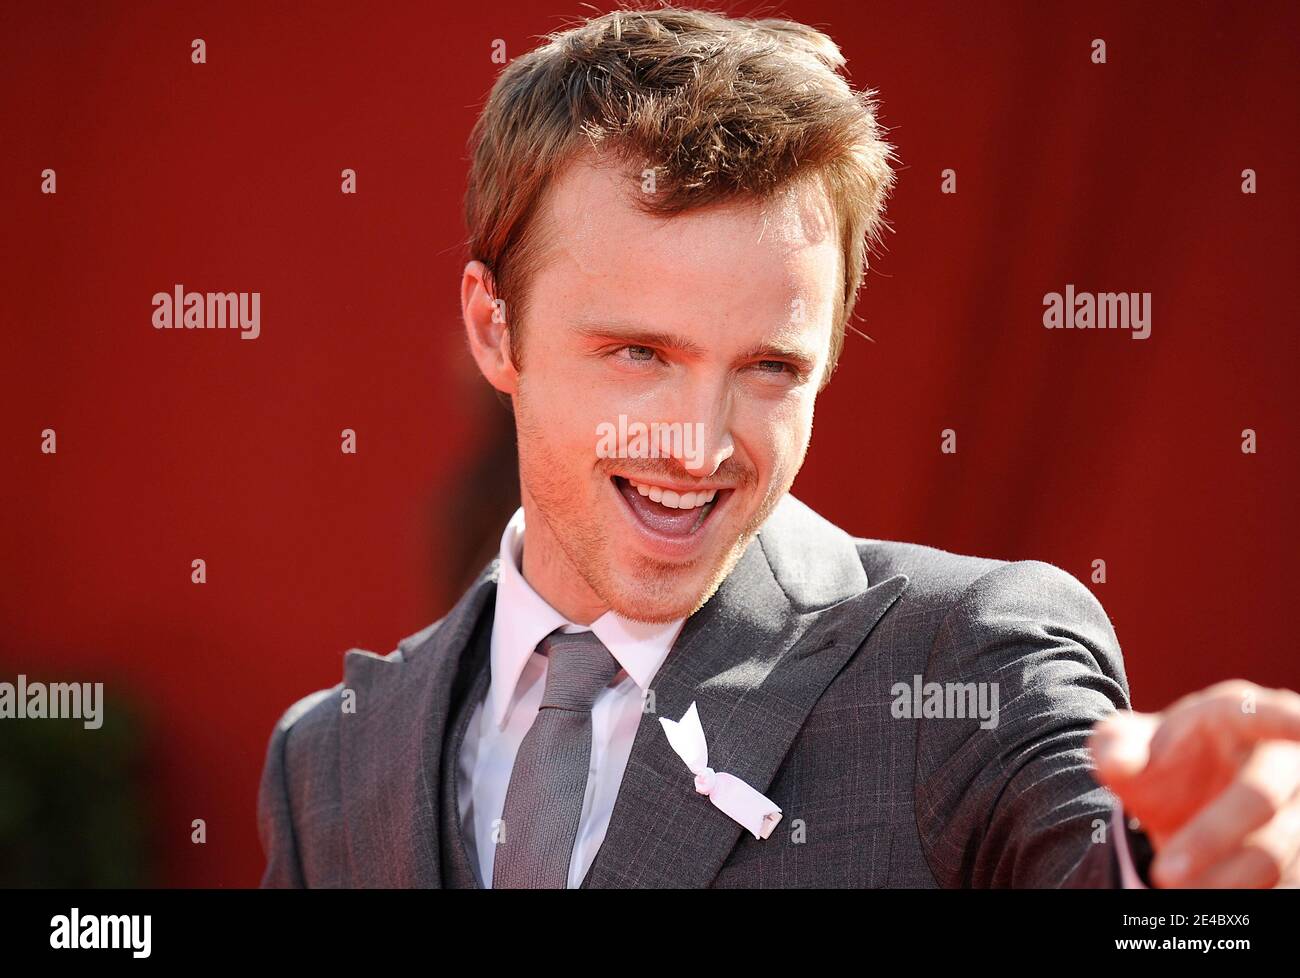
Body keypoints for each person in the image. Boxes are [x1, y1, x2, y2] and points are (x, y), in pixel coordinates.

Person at [257, 5, 1300, 888]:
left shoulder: (967, 662)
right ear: (495, 329)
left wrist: (1175, 873)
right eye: (639, 352)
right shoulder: (333, 757)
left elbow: (1100, 853)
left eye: (769, 368)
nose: (699, 447)